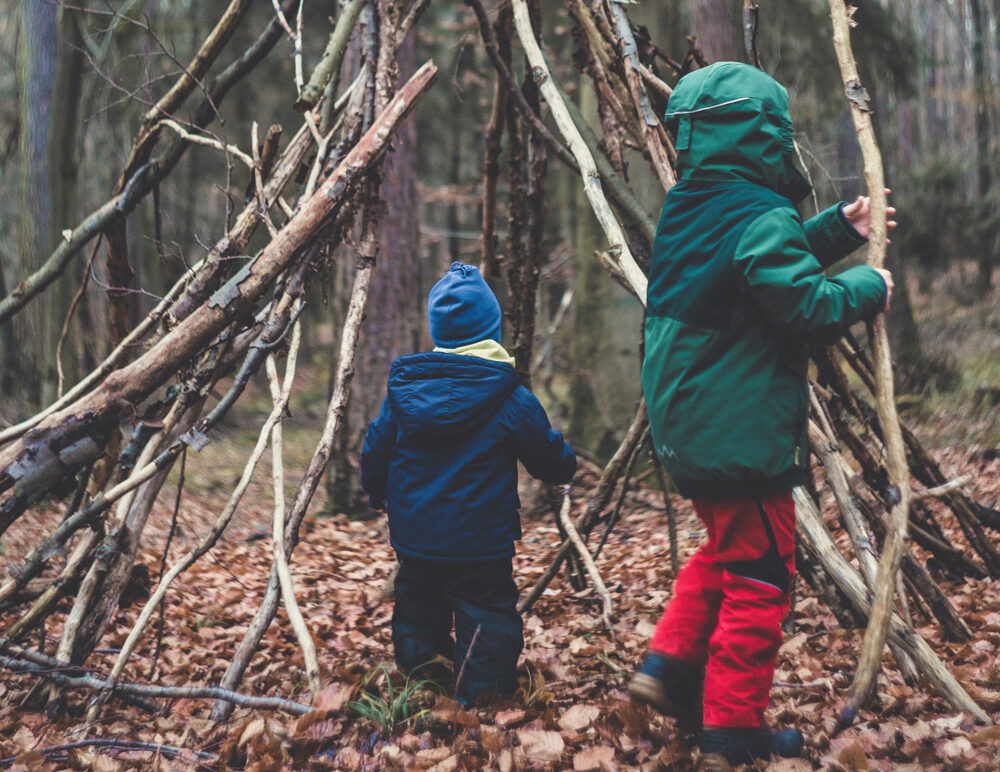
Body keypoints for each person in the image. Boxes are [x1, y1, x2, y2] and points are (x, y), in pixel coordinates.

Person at [629, 62, 895, 768]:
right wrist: (869, 283)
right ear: (762, 133)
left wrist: (838, 229)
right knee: (761, 578)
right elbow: (805, 306)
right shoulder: (759, 214)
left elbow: (762, 266)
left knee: (725, 550)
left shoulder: (691, 207)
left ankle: (668, 665)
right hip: (738, 435)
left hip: (688, 429)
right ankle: (732, 729)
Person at [361, 262, 577, 706]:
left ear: (438, 330)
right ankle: (482, 698)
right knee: (486, 615)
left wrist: (376, 492)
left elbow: (375, 449)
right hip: (481, 543)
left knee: (418, 609)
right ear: (492, 329)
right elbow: (549, 458)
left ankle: (422, 683)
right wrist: (565, 464)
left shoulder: (405, 394)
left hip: (416, 536)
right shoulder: (509, 397)